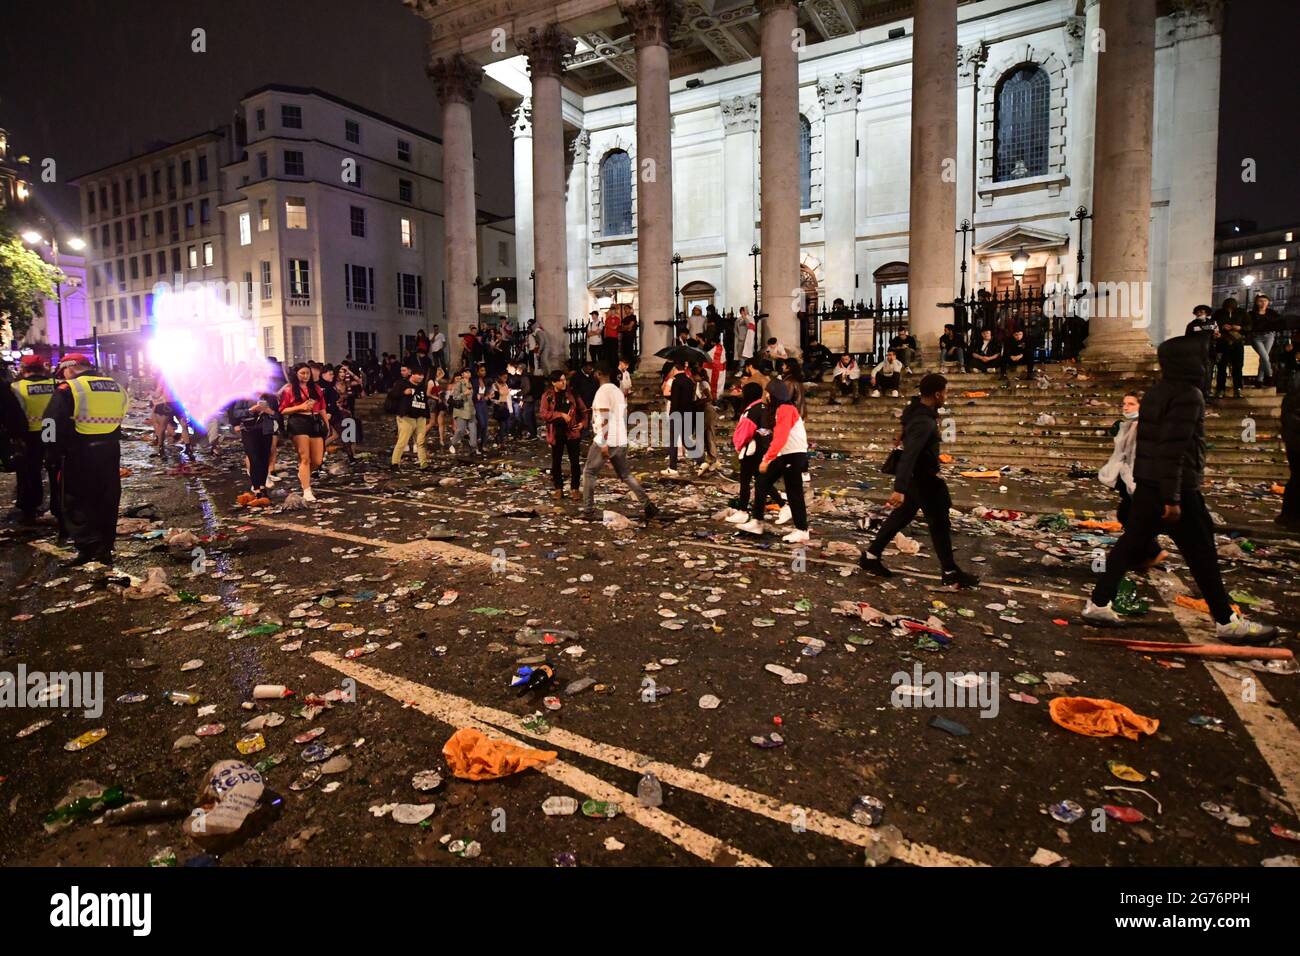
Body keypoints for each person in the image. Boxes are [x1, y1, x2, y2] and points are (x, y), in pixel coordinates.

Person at [1082, 336, 1277, 643]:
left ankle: (1098, 602)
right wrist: (1172, 498)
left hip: (1148, 484)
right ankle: (1226, 621)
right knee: (1202, 554)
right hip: (1175, 489)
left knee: (1130, 545)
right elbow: (1174, 449)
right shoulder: (1189, 395)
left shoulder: (1158, 392)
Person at [858, 373, 980, 588]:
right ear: (937, 393)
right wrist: (899, 488)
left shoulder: (917, 413)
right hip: (924, 480)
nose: (946, 396)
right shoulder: (923, 421)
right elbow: (910, 454)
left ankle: (871, 556)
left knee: (901, 517)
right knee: (940, 524)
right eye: (945, 391)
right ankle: (950, 571)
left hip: (918, 479)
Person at [45, 353, 130, 565]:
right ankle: (104, 548)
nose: (63, 376)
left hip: (79, 451)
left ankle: (88, 544)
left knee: (75, 500)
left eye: (63, 371)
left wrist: (51, 452)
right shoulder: (116, 386)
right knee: (107, 499)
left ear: (71, 368)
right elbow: (120, 415)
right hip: (110, 450)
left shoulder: (70, 388)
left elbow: (51, 422)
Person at [733, 380, 811, 543]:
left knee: (793, 490)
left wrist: (767, 458)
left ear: (774, 394)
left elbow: (781, 437)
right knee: (762, 482)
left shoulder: (786, 409)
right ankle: (758, 521)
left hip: (793, 454)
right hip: (786, 454)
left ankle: (801, 529)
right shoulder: (777, 410)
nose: (766, 395)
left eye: (768, 392)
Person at [1098, 392, 1167, 568]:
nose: (1126, 407)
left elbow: (1134, 456)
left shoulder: (1142, 428)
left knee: (1131, 517)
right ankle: (1145, 554)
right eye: (1124, 404)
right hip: (1128, 479)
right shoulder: (1129, 426)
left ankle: (1153, 551)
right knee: (1129, 515)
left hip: (1136, 480)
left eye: (1131, 404)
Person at [581, 365, 658, 520]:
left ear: (598, 373)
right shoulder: (618, 392)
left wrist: (603, 442)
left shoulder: (603, 391)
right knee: (626, 475)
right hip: (620, 438)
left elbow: (604, 417)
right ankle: (647, 504)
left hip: (607, 439)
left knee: (589, 473)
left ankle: (588, 510)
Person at [8, 355, 60, 527]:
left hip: (28, 433)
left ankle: (29, 509)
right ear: (43, 368)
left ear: (23, 369)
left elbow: (14, 413)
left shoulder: (16, 387)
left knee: (29, 472)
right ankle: (58, 508)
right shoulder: (55, 384)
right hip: (50, 429)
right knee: (54, 469)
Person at [278, 363, 328, 502]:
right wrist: (300, 407)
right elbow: (282, 410)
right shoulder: (289, 390)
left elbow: (322, 406)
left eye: (308, 373)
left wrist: (327, 424)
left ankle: (303, 474)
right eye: (302, 373)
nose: (306, 376)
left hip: (315, 421)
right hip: (298, 422)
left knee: (317, 460)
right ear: (296, 374)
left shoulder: (316, 388)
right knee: (304, 457)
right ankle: (307, 490)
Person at [725, 382, 772, 525]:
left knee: (745, 481)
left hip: (751, 449)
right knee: (762, 481)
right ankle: (783, 505)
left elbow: (745, 432)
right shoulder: (763, 408)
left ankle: (743, 510)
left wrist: (738, 445)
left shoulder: (752, 410)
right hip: (761, 449)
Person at [540, 370, 588, 500]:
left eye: (564, 379)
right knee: (556, 462)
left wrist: (583, 424)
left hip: (572, 431)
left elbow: (583, 411)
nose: (564, 382)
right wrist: (560, 415)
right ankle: (558, 488)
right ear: (553, 382)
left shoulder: (572, 394)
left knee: (575, 462)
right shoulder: (548, 396)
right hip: (556, 432)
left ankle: (575, 489)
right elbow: (544, 413)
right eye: (560, 380)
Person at [228, 392, 278, 495]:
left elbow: (278, 414)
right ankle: (256, 488)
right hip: (249, 430)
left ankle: (262, 485)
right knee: (254, 458)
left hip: (266, 430)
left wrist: (268, 411)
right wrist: (251, 410)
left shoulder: (270, 397)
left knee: (265, 458)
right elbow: (235, 413)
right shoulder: (244, 395)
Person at [389, 368, 432, 470]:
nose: (421, 377)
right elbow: (392, 395)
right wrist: (404, 392)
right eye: (419, 375)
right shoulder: (402, 384)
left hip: (420, 417)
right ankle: (394, 463)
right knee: (402, 441)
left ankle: (423, 464)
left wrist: (427, 415)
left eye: (422, 375)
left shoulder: (421, 386)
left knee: (420, 442)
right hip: (407, 417)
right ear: (412, 374)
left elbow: (424, 400)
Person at [661, 362, 697, 476]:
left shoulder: (676, 381)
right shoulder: (690, 381)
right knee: (687, 440)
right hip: (688, 413)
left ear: (675, 368)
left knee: (673, 441)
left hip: (677, 414)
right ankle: (701, 460)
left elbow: (675, 400)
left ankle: (672, 467)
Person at [1278, 378, 1300, 531]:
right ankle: (1291, 518)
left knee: (1296, 478)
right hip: (1296, 439)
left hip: (1293, 438)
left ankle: (1287, 516)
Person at [1214, 297, 1247, 399]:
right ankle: (1220, 389)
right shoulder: (1219, 313)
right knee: (1222, 367)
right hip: (1222, 342)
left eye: (1231, 308)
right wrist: (1221, 327)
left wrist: (1239, 328)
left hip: (1237, 342)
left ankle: (1238, 388)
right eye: (1228, 308)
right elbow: (1213, 325)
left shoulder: (1242, 312)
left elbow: (1249, 326)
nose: (1229, 310)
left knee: (1238, 366)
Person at [1247, 293, 1281, 387]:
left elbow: (1279, 322)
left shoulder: (1272, 313)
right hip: (1256, 337)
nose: (1263, 303)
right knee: (1265, 357)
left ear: (1268, 302)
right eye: (1260, 301)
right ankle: (1269, 375)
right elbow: (1249, 326)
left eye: (1265, 301)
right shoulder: (1252, 314)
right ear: (1256, 302)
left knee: (1263, 358)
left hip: (1269, 336)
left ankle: (1259, 380)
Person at [448, 368, 479, 456]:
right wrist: (464, 394)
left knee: (473, 430)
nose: (469, 373)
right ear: (462, 374)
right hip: (461, 411)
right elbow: (455, 397)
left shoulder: (470, 383)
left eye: (469, 372)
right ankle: (452, 443)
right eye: (467, 372)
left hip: (471, 410)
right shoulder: (459, 384)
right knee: (461, 430)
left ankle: (473, 447)